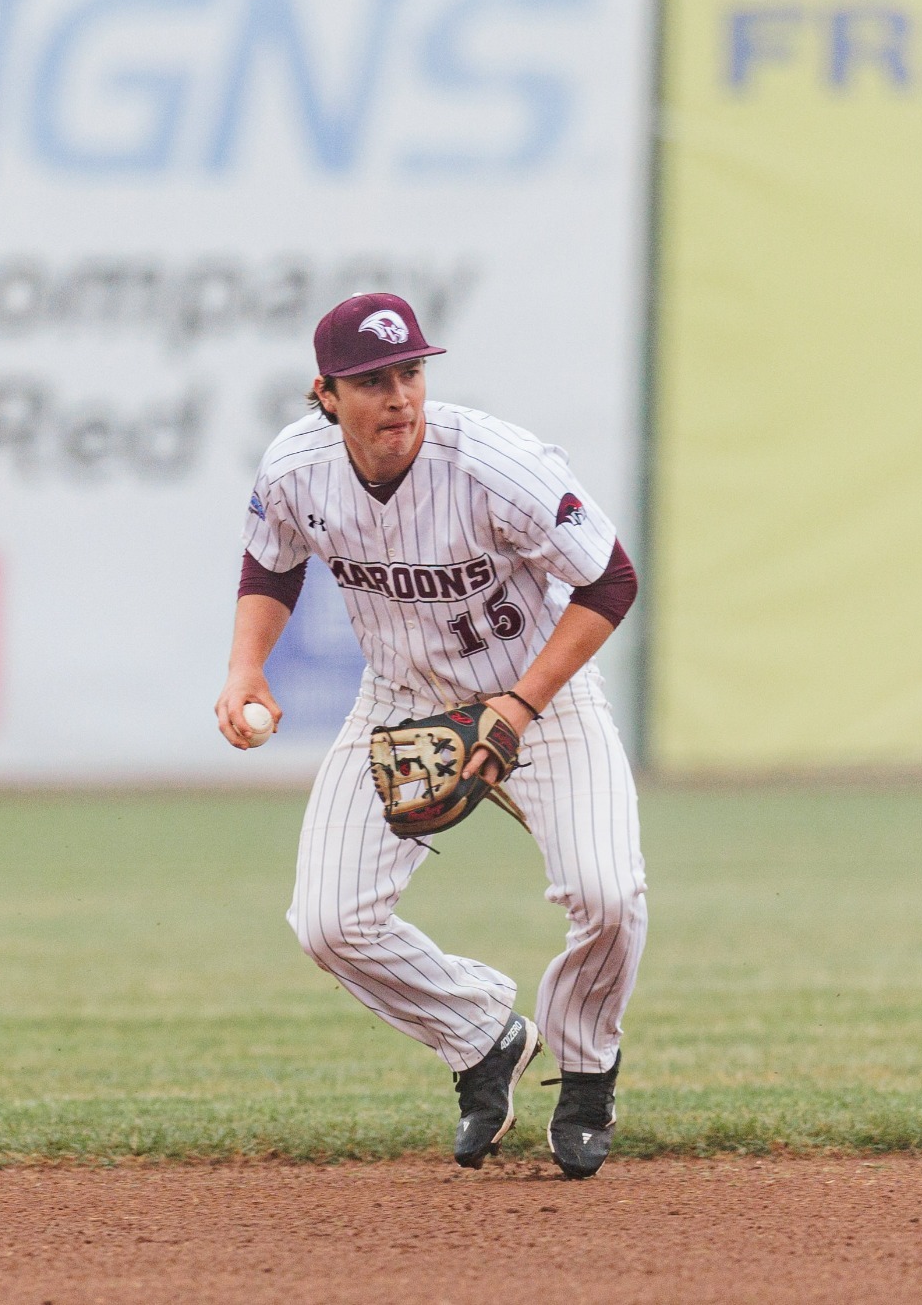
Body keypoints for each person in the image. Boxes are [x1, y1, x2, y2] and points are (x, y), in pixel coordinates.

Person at [213, 292, 646, 1178]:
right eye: (372, 380)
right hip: (401, 699)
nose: (398, 395)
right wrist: (244, 667)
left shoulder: (494, 463)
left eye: (410, 371)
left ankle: (587, 1071)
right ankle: (484, 1035)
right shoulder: (298, 466)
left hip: (540, 697)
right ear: (327, 393)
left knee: (607, 894)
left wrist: (518, 709)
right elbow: (273, 557)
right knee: (328, 922)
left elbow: (610, 580)